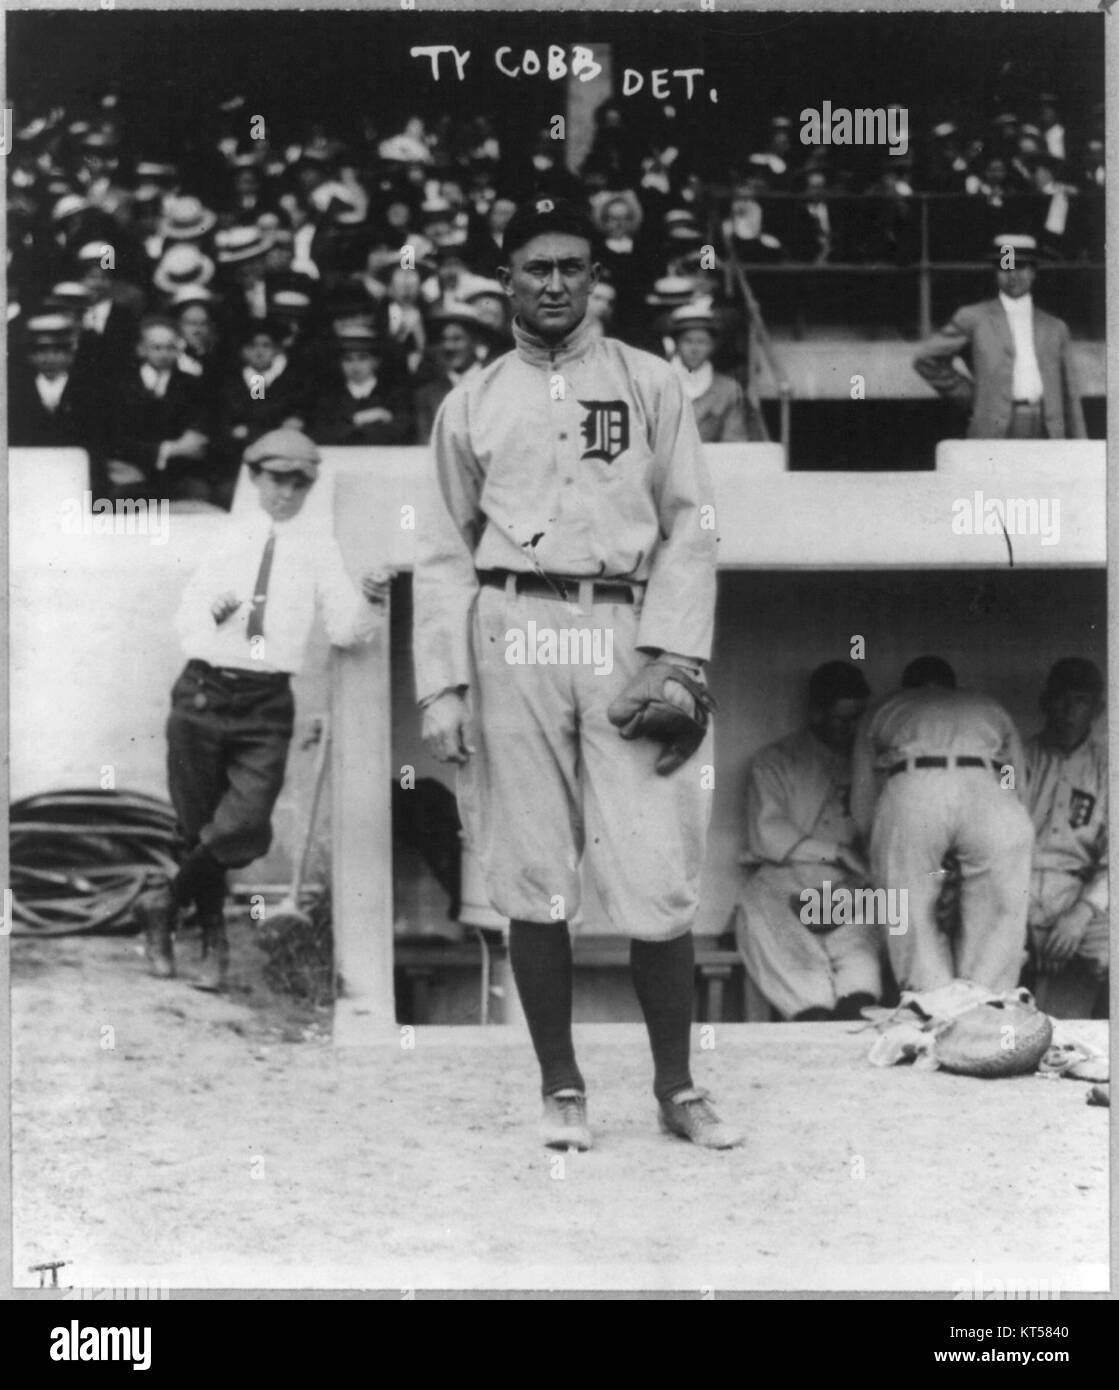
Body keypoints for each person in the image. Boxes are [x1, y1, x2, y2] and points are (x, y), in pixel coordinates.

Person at [413, 196, 742, 1151]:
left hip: (622, 631)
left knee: (655, 868)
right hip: (511, 623)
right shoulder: (470, 400)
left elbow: (692, 522)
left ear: (596, 276)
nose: (553, 283)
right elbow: (440, 550)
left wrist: (676, 656)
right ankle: (562, 1087)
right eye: (534, 267)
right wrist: (442, 686)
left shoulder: (649, 383)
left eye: (571, 266)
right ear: (505, 279)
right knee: (533, 870)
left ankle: (677, 1090)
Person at [142, 429, 391, 989]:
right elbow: (185, 624)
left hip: (265, 702)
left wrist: (373, 597)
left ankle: (161, 902)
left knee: (243, 826)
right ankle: (213, 946)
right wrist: (214, 609)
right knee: (195, 830)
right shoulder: (224, 536)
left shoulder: (319, 548)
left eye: (300, 483)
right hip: (203, 692)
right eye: (277, 480)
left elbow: (347, 632)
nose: (287, 493)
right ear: (254, 477)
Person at [851, 656, 1034, 994]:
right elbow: (1017, 779)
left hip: (914, 784)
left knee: (906, 904)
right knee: (997, 910)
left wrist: (879, 846)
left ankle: (930, 1001)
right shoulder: (988, 706)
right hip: (988, 785)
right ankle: (985, 1003)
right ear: (955, 687)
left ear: (908, 688)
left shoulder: (887, 707)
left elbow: (864, 797)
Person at [736, 663, 882, 1021]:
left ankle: (854, 1006)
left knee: (860, 943)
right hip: (787, 877)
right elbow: (767, 834)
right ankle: (812, 1014)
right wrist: (835, 851)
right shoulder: (776, 761)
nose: (850, 730)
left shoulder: (872, 763)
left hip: (850, 885)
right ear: (816, 713)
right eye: (840, 720)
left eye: (856, 719)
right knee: (775, 931)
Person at [912, 234, 1086, 440]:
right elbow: (925, 359)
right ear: (996, 271)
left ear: (1033, 271)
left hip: (1046, 429)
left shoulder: (1056, 328)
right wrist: (975, 396)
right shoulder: (974, 317)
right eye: (1005, 266)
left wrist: (1080, 443)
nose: (1012, 274)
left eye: (1020, 266)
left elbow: (1070, 395)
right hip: (994, 428)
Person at [1024, 658, 1108, 1018]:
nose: (1069, 709)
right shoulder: (1017, 759)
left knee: (1108, 951)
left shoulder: (1109, 767)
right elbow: (994, 841)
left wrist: (1078, 916)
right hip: (1016, 890)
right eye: (1061, 698)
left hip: (1076, 892)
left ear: (1097, 709)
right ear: (1045, 701)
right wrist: (1027, 917)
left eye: (1081, 700)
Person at [105, 316, 215, 502]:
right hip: (133, 472)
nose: (164, 354)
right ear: (141, 349)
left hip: (178, 474)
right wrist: (168, 449)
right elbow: (116, 438)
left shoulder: (192, 385)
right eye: (156, 347)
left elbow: (197, 435)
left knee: (198, 495)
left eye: (170, 348)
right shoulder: (121, 385)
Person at [665, 302, 761, 444]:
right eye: (688, 341)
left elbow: (734, 443)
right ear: (676, 344)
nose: (695, 349)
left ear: (712, 346)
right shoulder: (658, 385)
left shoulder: (728, 390)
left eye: (702, 342)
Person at [9, 312, 103, 451]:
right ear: (30, 356)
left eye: (58, 351)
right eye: (41, 352)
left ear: (70, 354)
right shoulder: (19, 391)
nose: (49, 359)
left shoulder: (85, 390)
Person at [313, 322, 413, 446]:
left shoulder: (394, 395)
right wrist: (364, 418)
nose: (355, 366)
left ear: (376, 362)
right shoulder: (330, 397)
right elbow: (323, 434)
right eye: (348, 360)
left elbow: (403, 432)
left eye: (362, 358)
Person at [412, 304, 490, 443]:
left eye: (457, 339)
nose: (448, 347)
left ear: (475, 341)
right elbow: (425, 444)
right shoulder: (427, 394)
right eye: (444, 340)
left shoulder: (494, 384)